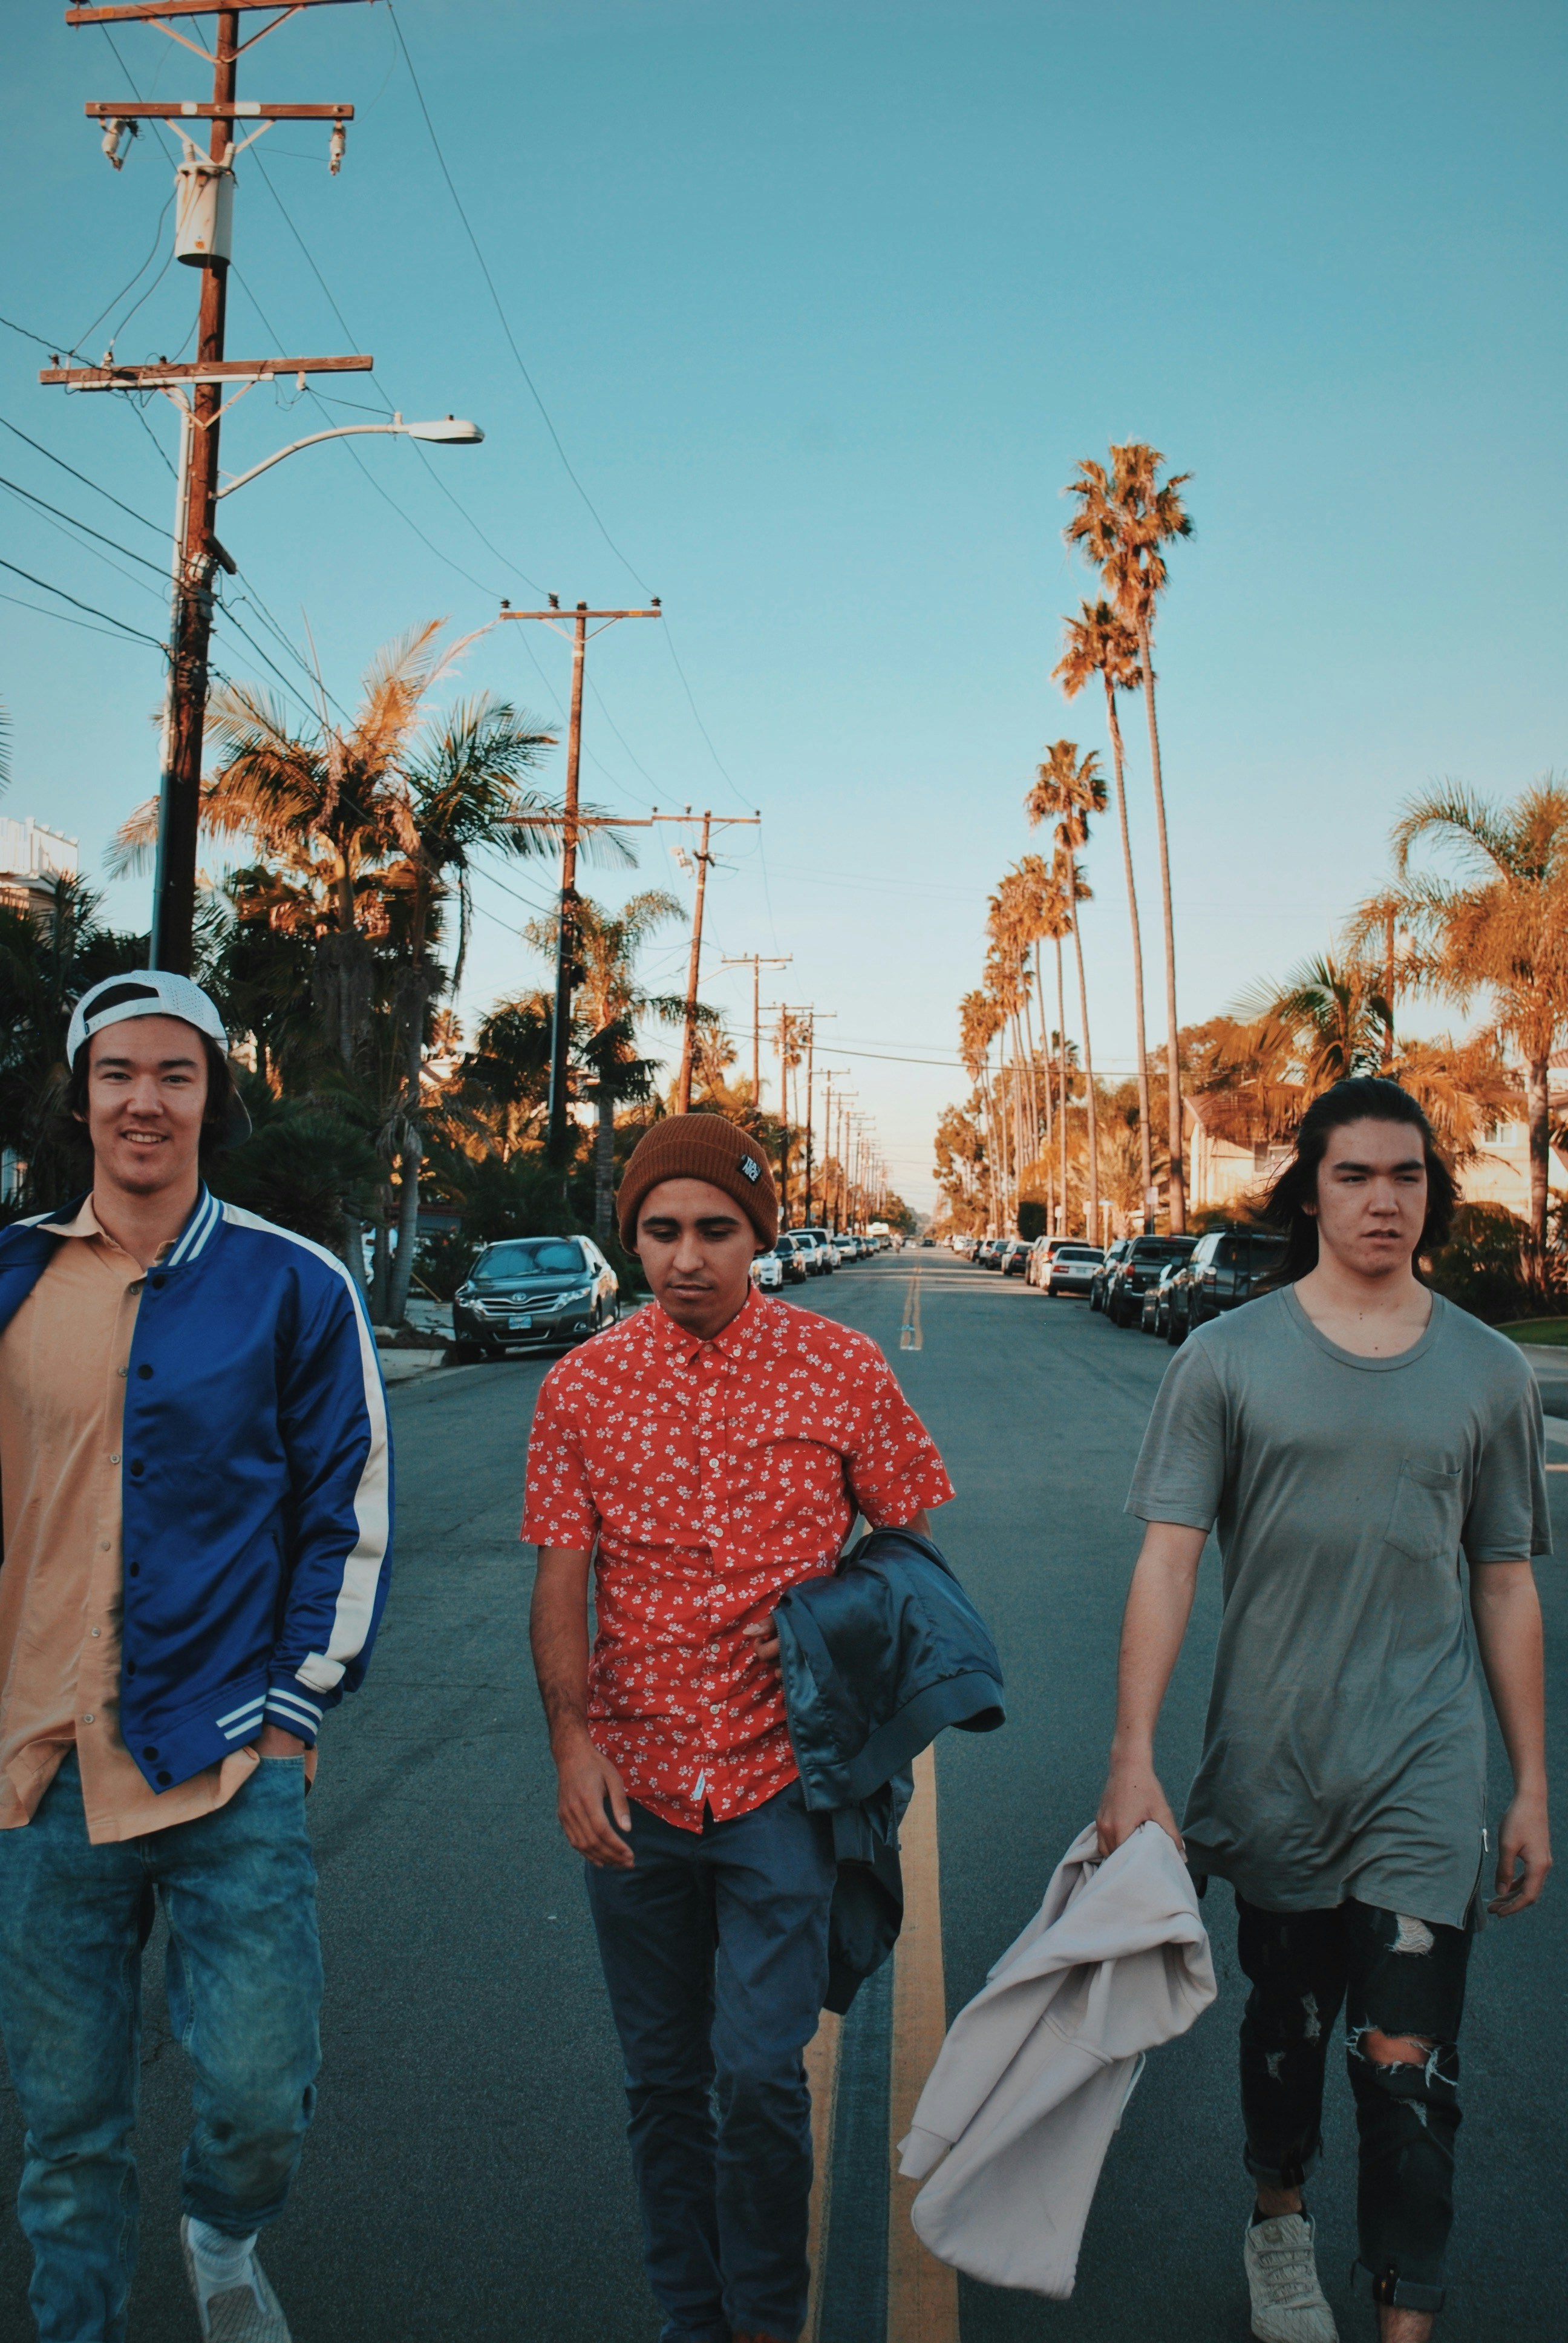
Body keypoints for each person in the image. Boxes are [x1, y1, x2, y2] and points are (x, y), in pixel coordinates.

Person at [1096, 1078, 1550, 2343]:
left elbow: (1504, 1584)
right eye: (1354, 1175)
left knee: (1408, 2070)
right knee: (1288, 2036)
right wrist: (1132, 1756)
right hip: (1276, 1768)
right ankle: (1279, 2214)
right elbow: (1169, 1560)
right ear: (1310, 1192)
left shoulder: (1491, 1370)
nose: (1383, 1200)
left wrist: (1528, 1784)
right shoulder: (1225, 1357)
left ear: (1431, 1194)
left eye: (1406, 1175)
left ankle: (1408, 2311)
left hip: (1423, 1768)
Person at [0, 972, 393, 2343]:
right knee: (65, 2127)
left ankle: (223, 2235)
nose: (144, 1099)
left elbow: (347, 1511)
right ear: (81, 1096)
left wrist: (291, 1714)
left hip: (228, 1759)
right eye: (116, 1073)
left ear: (216, 1094)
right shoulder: (10, 1277)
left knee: (257, 2091)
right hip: (37, 1773)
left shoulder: (296, 1283)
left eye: (175, 1072)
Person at [523, 1112, 953, 2343]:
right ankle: (690, 2319)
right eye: (661, 1230)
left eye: (717, 1229)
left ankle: (767, 2320)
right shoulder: (582, 1384)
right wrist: (571, 1745)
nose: (689, 1256)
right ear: (634, 1239)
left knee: (761, 2078)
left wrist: (849, 1658)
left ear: (760, 1235)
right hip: (637, 1788)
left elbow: (912, 1543)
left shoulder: (844, 1367)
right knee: (663, 2084)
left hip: (782, 1786)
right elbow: (562, 1578)